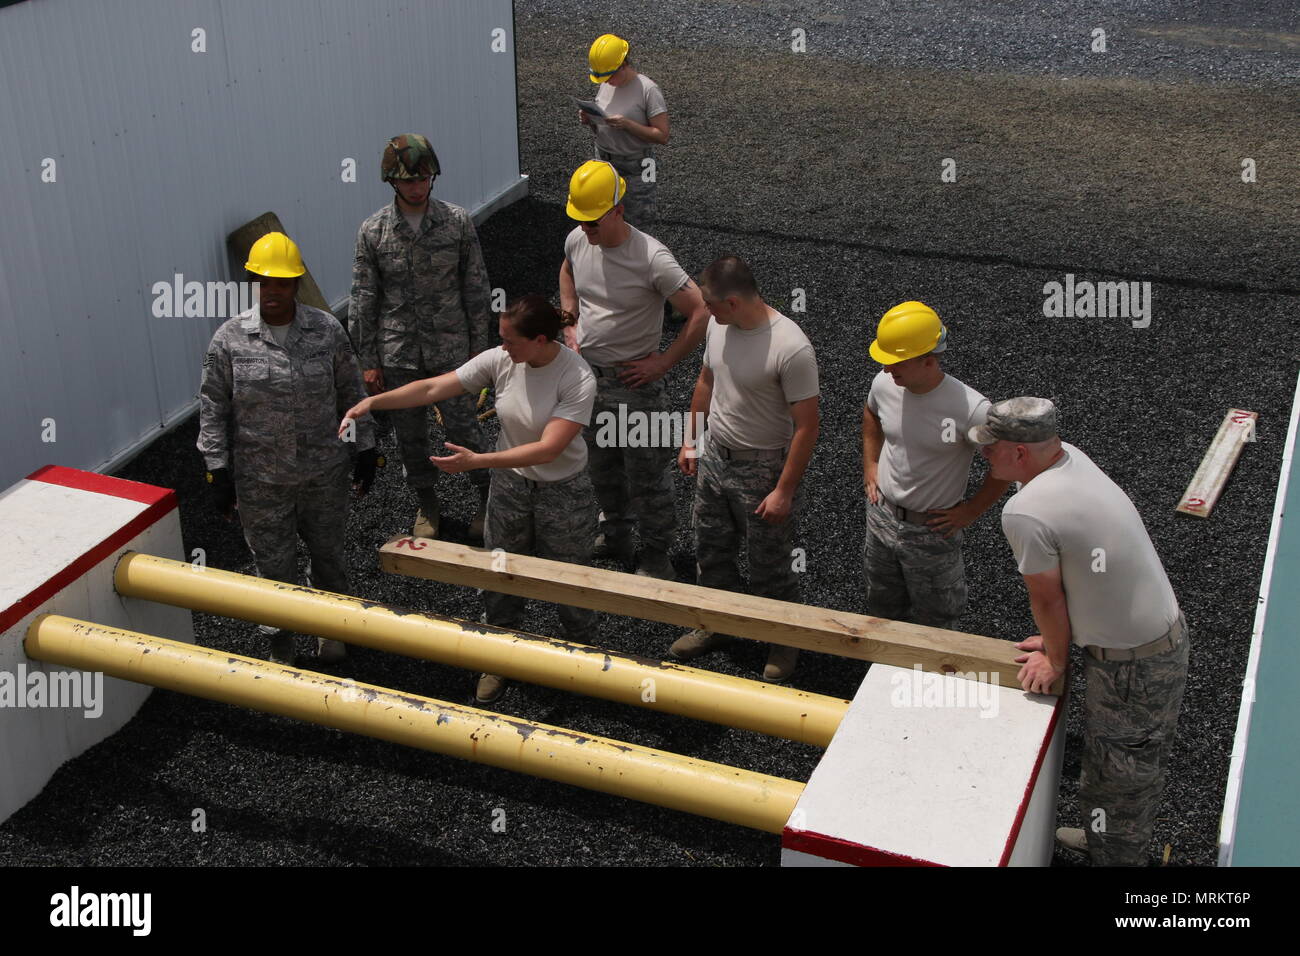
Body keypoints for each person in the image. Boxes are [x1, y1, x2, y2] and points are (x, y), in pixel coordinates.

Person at [341, 294, 598, 705]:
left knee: (569, 580)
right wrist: (373, 402)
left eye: (510, 340)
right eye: (502, 339)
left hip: (563, 492)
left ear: (540, 340)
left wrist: (478, 461)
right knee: (498, 573)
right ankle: (497, 657)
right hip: (512, 488)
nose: (503, 347)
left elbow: (549, 449)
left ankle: (582, 663)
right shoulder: (503, 359)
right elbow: (433, 386)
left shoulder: (577, 376)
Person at [971, 397, 1190, 866]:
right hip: (1147, 640)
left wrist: (1055, 658)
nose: (984, 456)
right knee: (1107, 766)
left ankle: (1117, 861)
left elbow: (1048, 597)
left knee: (1122, 780)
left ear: (1020, 453)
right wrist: (1057, 640)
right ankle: (1102, 840)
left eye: (991, 448)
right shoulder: (1071, 458)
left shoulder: (1026, 510)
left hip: (1134, 665)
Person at [198, 231, 378, 666]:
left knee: (329, 558)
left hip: (323, 475)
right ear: (252, 283)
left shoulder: (326, 330)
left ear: (296, 284)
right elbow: (212, 408)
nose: (272, 291)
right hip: (262, 483)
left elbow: (351, 394)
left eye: (282, 283)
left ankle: (332, 634)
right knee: (274, 570)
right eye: (264, 282)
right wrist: (216, 471)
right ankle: (281, 647)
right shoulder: (229, 340)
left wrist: (366, 449)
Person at [668, 256, 820, 682]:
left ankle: (782, 639)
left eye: (712, 305)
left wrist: (785, 490)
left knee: (770, 563)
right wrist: (691, 439)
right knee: (711, 549)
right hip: (716, 457)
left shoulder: (791, 347)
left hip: (763, 469)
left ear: (733, 302)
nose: (706, 313)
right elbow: (706, 382)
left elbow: (807, 426)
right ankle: (717, 623)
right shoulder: (720, 325)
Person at [558, 160, 710, 578]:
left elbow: (699, 310)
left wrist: (663, 362)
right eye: (581, 221)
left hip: (635, 387)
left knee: (647, 478)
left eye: (593, 222)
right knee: (600, 467)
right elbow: (567, 270)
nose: (586, 230)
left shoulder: (651, 258)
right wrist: (569, 320)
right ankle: (617, 533)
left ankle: (657, 553)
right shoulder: (577, 240)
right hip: (589, 379)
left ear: (618, 210)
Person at [349, 133, 493, 543]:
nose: (417, 186)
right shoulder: (373, 232)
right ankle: (427, 502)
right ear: (392, 182)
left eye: (424, 178)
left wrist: (480, 352)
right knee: (409, 436)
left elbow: (476, 288)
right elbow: (364, 299)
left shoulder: (457, 222)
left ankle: (486, 497)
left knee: (466, 429)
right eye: (408, 180)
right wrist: (369, 360)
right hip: (399, 355)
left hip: (452, 350)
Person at [862, 301, 1010, 629]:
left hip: (932, 533)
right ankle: (885, 673)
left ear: (929, 361)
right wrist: (870, 463)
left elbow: (1005, 462)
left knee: (937, 621)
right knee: (882, 608)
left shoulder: (971, 410)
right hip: (881, 517)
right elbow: (871, 413)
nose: (887, 370)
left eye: (896, 363)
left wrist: (972, 510)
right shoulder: (885, 384)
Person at [580, 33, 669, 228]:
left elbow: (662, 135)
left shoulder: (648, 90)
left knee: (638, 223)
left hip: (639, 165)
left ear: (623, 64)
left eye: (610, 76)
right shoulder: (605, 85)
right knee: (605, 220)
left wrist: (628, 124)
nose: (607, 81)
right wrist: (591, 121)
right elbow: (604, 124)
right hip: (604, 160)